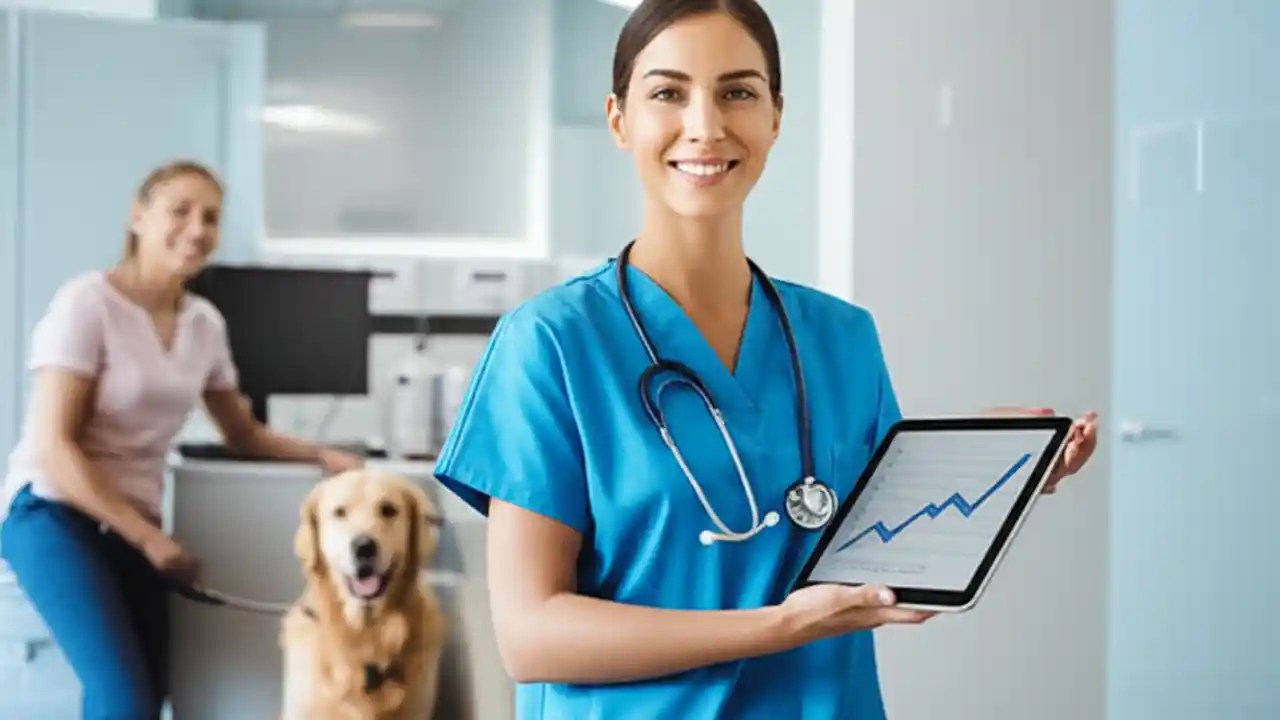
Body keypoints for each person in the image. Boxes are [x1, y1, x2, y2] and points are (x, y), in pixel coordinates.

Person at [432, 1, 1100, 718]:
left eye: (738, 92)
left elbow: (884, 546)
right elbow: (531, 637)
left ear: (776, 116)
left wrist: (1000, 468)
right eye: (669, 92)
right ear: (619, 119)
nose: (706, 125)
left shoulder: (842, 338)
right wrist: (781, 626)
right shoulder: (552, 344)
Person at [0, 159, 365, 718]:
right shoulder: (87, 303)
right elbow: (54, 448)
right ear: (138, 216)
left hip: (131, 525)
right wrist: (150, 540)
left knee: (150, 697)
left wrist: (325, 456)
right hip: (53, 513)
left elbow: (242, 433)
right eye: (180, 211)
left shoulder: (203, 324)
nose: (197, 229)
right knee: (123, 699)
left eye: (211, 217)